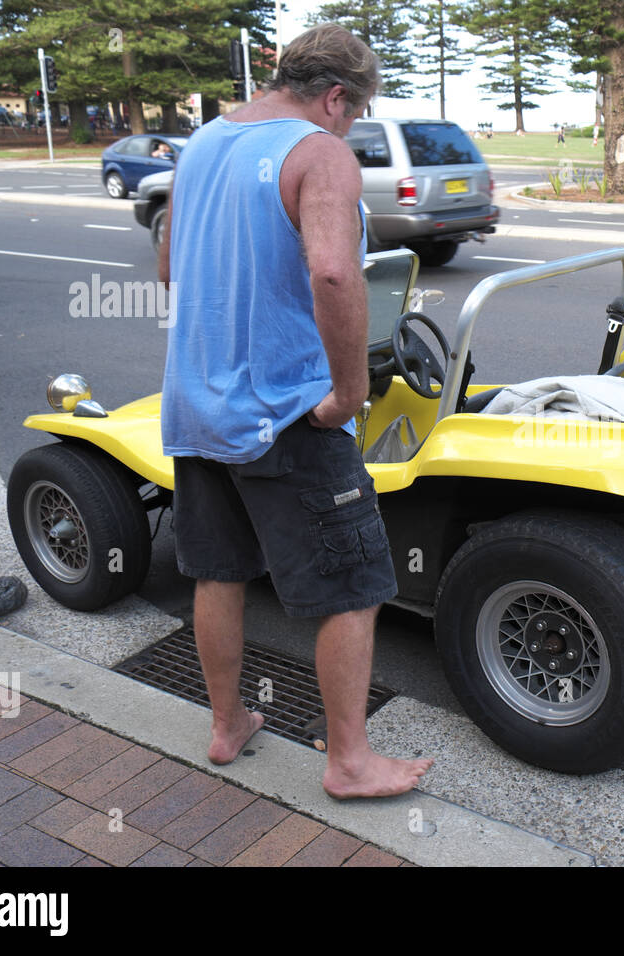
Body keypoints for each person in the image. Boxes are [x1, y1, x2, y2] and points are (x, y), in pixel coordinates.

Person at [157, 23, 432, 799]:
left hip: (198, 408)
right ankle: (349, 762)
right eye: (355, 111)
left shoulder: (203, 142)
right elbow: (338, 277)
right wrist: (347, 394)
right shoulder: (320, 153)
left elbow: (170, 264)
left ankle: (227, 723)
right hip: (283, 413)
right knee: (353, 585)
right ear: (337, 96)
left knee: (219, 570)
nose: (351, 125)